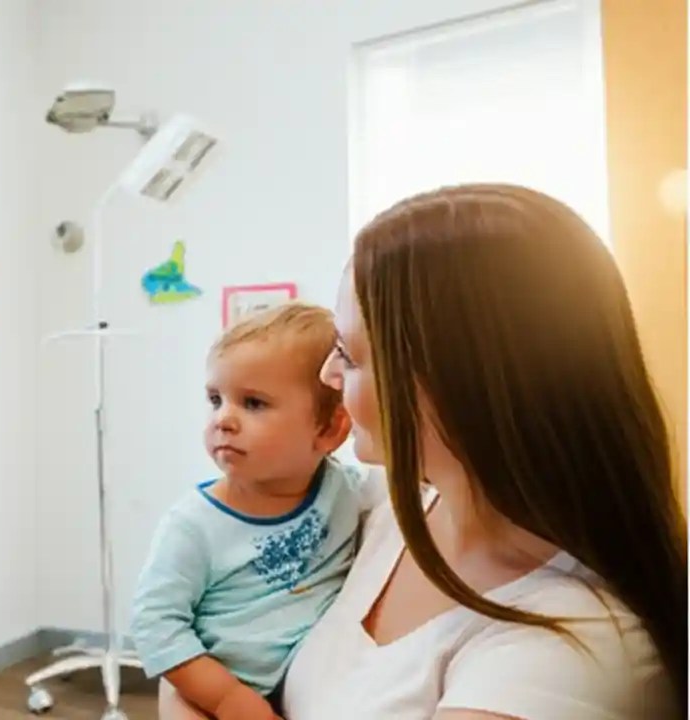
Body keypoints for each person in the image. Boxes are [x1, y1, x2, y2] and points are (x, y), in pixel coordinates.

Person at [282, 183, 686, 718]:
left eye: (349, 355)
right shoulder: (394, 511)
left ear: (456, 382)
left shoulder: (567, 650)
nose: (327, 375)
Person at [130, 303, 370, 720]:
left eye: (253, 403)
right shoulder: (193, 525)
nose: (223, 419)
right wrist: (228, 700)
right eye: (215, 399)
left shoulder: (349, 493)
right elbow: (155, 625)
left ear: (329, 430)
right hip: (212, 701)